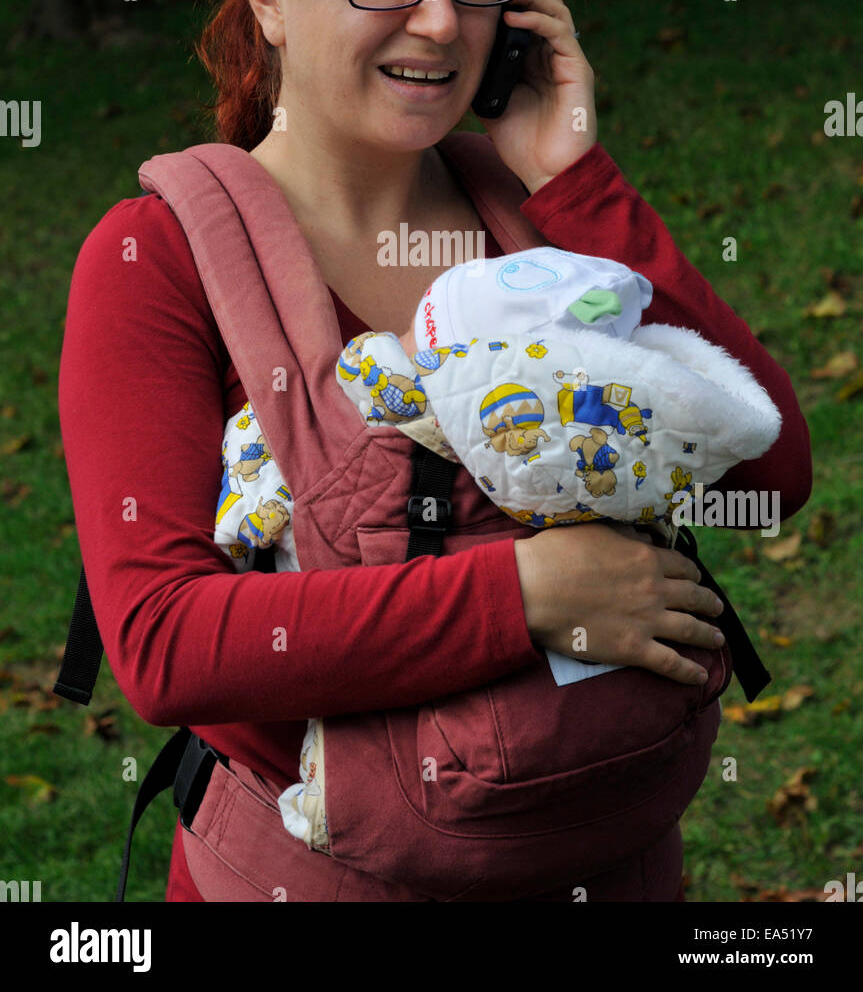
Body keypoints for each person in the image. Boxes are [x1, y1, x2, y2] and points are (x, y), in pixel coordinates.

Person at [57, 0, 812, 902]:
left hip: (602, 856)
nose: (441, 21)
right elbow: (165, 642)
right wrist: (526, 595)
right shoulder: (158, 259)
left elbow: (766, 467)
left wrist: (573, 173)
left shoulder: (527, 215)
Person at [213, 243, 782, 852]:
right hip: (637, 791)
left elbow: (238, 537)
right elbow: (167, 643)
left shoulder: (354, 394)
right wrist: (527, 590)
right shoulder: (627, 442)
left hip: (409, 813)